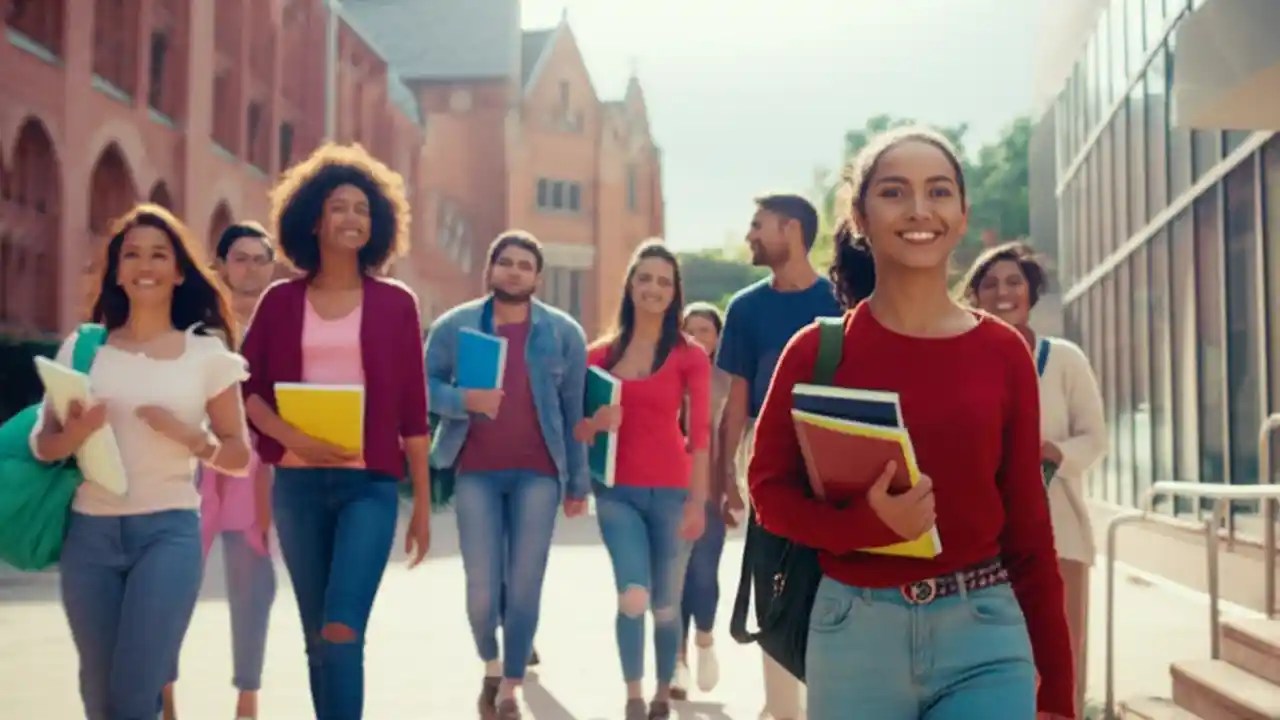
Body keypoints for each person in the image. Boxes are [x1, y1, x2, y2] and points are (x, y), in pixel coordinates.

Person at [748, 126, 1075, 720]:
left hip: (986, 630)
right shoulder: (816, 351)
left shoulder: (1003, 352)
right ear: (860, 217)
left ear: (961, 214)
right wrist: (864, 526)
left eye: (940, 191)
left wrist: (1056, 693)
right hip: (853, 636)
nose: (920, 209)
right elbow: (768, 494)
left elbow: (1029, 527)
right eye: (895, 192)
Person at [30, 203, 252, 720]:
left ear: (179, 272)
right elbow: (44, 445)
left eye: (159, 254)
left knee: (135, 694)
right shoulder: (83, 349)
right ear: (116, 270)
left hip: (168, 534)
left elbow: (238, 456)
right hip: (89, 537)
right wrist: (77, 433)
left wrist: (189, 438)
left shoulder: (206, 356)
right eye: (131, 255)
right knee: (99, 695)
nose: (144, 265)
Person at [239, 142, 432, 720]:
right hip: (296, 488)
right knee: (317, 637)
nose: (352, 219)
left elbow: (413, 413)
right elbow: (247, 389)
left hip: (367, 489)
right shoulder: (279, 301)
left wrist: (421, 503)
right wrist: (290, 439)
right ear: (314, 219)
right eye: (339, 207)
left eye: (362, 210)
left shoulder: (396, 303)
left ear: (377, 225)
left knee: (344, 627)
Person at [425, 230, 590, 719]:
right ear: (490, 269)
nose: (515, 271)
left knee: (524, 582)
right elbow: (421, 386)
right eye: (506, 263)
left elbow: (574, 410)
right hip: (476, 471)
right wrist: (462, 401)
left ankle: (510, 683)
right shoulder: (455, 327)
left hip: (539, 474)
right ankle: (491, 665)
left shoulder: (563, 333)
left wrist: (577, 484)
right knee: (481, 584)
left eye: (525, 265)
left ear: (538, 277)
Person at [963, 240, 1108, 714]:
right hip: (985, 541)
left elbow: (1095, 438)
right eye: (989, 284)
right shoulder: (964, 361)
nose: (1002, 292)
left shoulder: (1063, 359)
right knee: (993, 665)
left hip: (1059, 533)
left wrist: (1054, 452)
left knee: (1060, 660)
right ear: (975, 296)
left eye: (1013, 282)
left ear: (1031, 291)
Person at [717, 193, 843, 720]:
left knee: (831, 585)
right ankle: (783, 711)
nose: (749, 235)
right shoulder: (745, 308)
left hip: (835, 465)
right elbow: (738, 399)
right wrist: (727, 475)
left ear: (791, 229)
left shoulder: (844, 301)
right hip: (767, 465)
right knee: (773, 588)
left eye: (757, 225)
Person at [576, 241, 711, 720]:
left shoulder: (688, 355)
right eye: (645, 278)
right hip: (617, 494)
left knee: (666, 605)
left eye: (664, 281)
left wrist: (699, 503)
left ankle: (660, 691)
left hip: (674, 494)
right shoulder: (597, 355)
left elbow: (700, 436)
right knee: (632, 593)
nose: (653, 288)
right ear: (630, 285)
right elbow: (577, 431)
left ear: (674, 292)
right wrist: (595, 422)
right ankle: (633, 696)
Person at [168, 222, 279, 720]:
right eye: (240, 257)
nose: (250, 268)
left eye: (260, 259)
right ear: (220, 265)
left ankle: (247, 698)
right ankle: (164, 693)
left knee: (253, 582)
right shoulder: (195, 324)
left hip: (258, 468)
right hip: (193, 461)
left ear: (272, 267)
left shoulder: (284, 321)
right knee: (170, 581)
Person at [670, 302, 732, 701]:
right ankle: (677, 663)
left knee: (703, 575)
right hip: (670, 492)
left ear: (718, 337)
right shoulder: (669, 374)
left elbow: (735, 440)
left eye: (705, 330)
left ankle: (705, 640)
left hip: (710, 494)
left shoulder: (727, 382)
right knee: (673, 580)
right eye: (689, 329)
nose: (696, 336)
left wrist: (735, 490)